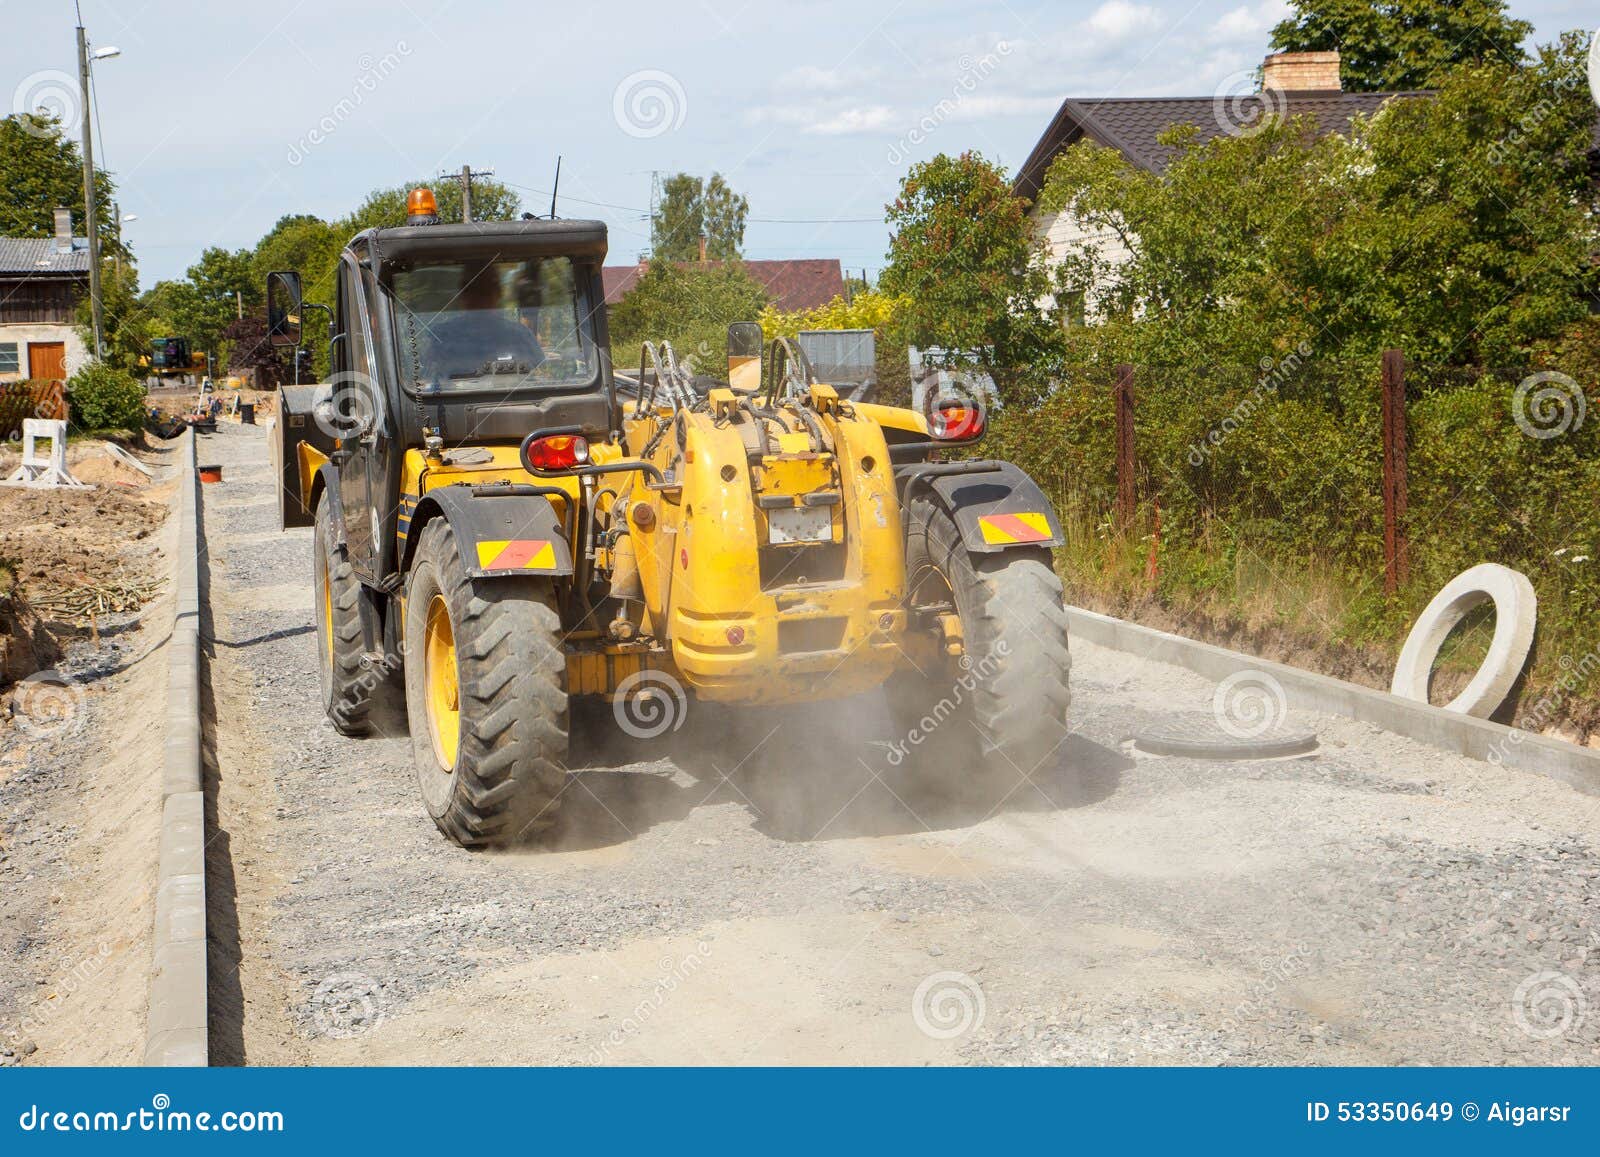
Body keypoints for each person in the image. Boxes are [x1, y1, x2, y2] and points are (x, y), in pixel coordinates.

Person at [424, 264, 545, 380]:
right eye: (472, 288)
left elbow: (542, 376)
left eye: (486, 288)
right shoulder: (442, 337)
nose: (479, 296)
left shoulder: (520, 335)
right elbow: (425, 383)